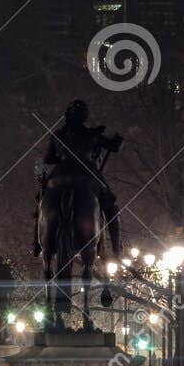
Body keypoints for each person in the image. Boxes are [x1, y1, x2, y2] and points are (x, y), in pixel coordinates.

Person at [35, 98, 122, 256]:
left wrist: (62, 157)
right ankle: (116, 248)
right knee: (110, 204)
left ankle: (37, 242)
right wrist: (117, 139)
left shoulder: (58, 135)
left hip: (61, 174)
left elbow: (48, 159)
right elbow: (113, 147)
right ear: (84, 116)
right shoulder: (93, 134)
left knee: (40, 200)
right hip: (86, 173)